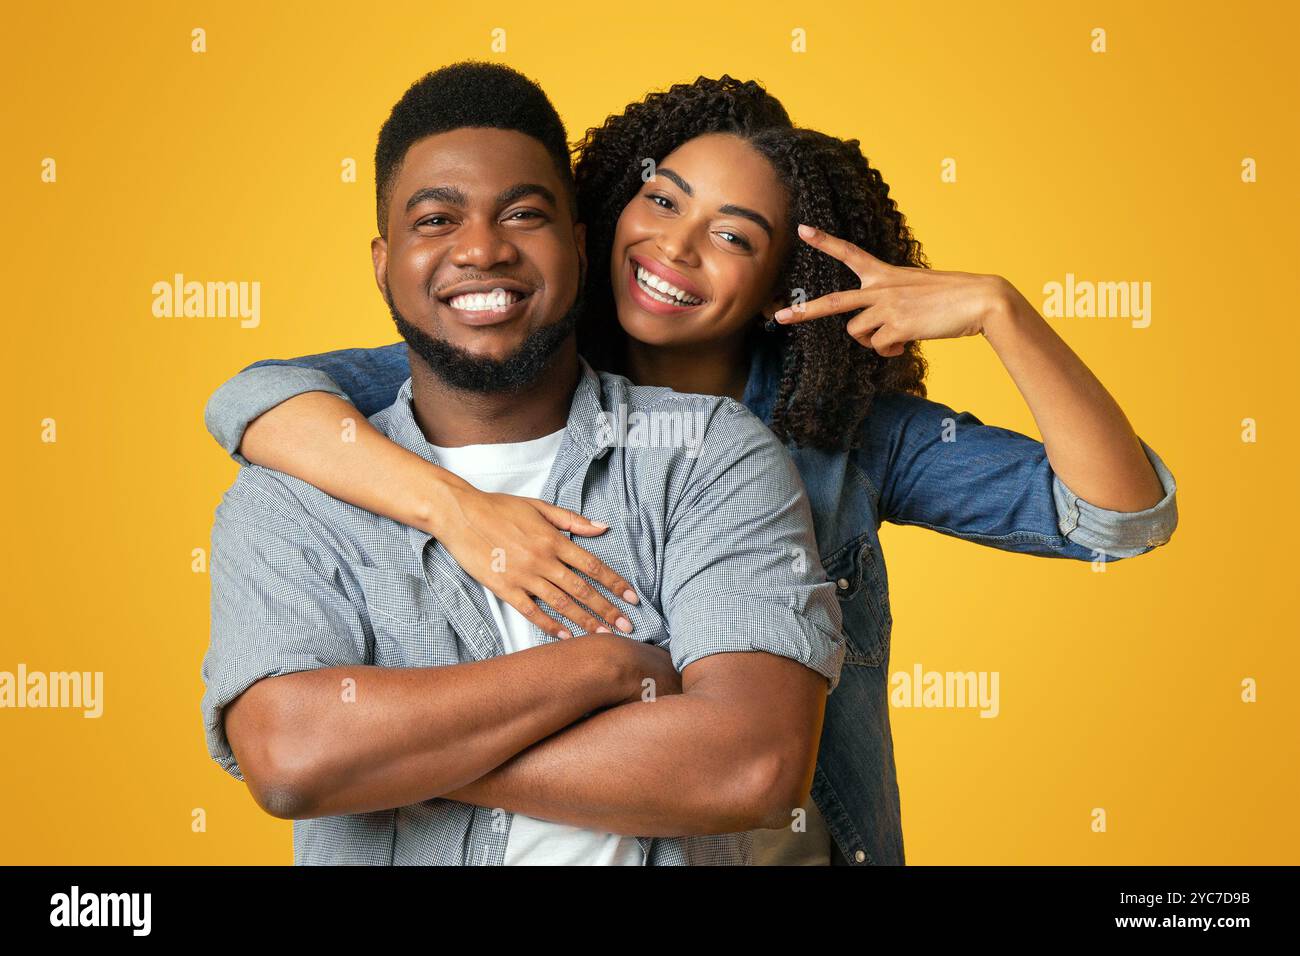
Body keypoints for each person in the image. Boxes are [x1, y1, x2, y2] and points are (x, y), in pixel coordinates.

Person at [205, 71, 1179, 866]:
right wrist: (458, 510)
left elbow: (1115, 514)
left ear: (782, 283)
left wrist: (1003, 313)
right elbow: (256, 402)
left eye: (732, 235)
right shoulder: (496, 351)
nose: (674, 246)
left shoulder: (834, 431)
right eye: (661, 201)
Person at [200, 62, 846, 866]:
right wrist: (603, 667)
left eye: (523, 213)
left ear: (577, 247)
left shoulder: (706, 456)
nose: (481, 248)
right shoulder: (295, 491)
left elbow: (748, 768)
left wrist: (384, 757)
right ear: (382, 262)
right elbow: (292, 760)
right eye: (436, 219)